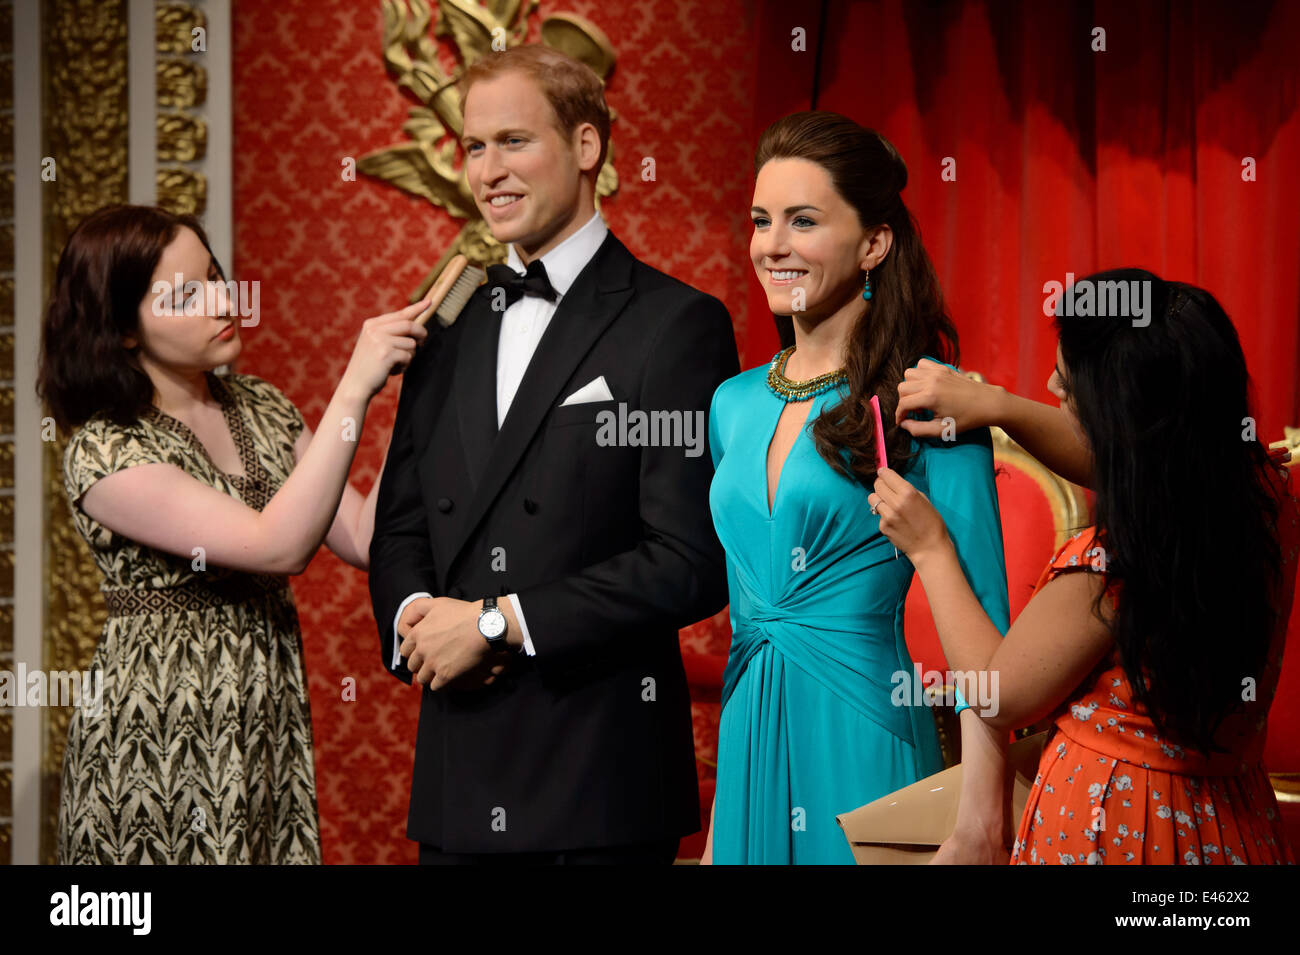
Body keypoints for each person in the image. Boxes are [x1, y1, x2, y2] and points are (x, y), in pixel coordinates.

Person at [367, 44, 740, 864]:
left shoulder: (675, 324)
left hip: (598, 778)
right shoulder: (447, 323)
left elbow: (688, 559)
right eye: (473, 147)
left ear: (586, 147)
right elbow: (399, 527)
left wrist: (499, 625)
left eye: (513, 142)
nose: (487, 170)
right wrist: (413, 621)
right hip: (458, 779)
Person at [39, 204, 429, 863]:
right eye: (188, 294)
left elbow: (363, 534)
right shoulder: (105, 450)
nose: (224, 300)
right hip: (160, 738)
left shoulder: (264, 407)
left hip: (264, 717)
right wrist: (355, 385)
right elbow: (277, 545)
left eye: (217, 277)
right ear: (125, 329)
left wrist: (415, 391)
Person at [873, 269, 1298, 864]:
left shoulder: (1111, 565)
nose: (1049, 383)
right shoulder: (1266, 495)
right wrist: (1000, 407)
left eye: (1068, 389)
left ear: (1119, 418)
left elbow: (999, 695)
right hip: (1228, 825)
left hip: (1116, 823)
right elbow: (1151, 455)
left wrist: (932, 551)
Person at [702, 111, 1010, 864]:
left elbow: (989, 643)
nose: (773, 245)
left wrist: (980, 820)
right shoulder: (730, 403)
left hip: (863, 730)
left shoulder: (928, 400)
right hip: (748, 735)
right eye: (761, 220)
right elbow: (748, 621)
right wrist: (716, 834)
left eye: (803, 221)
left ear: (873, 242)